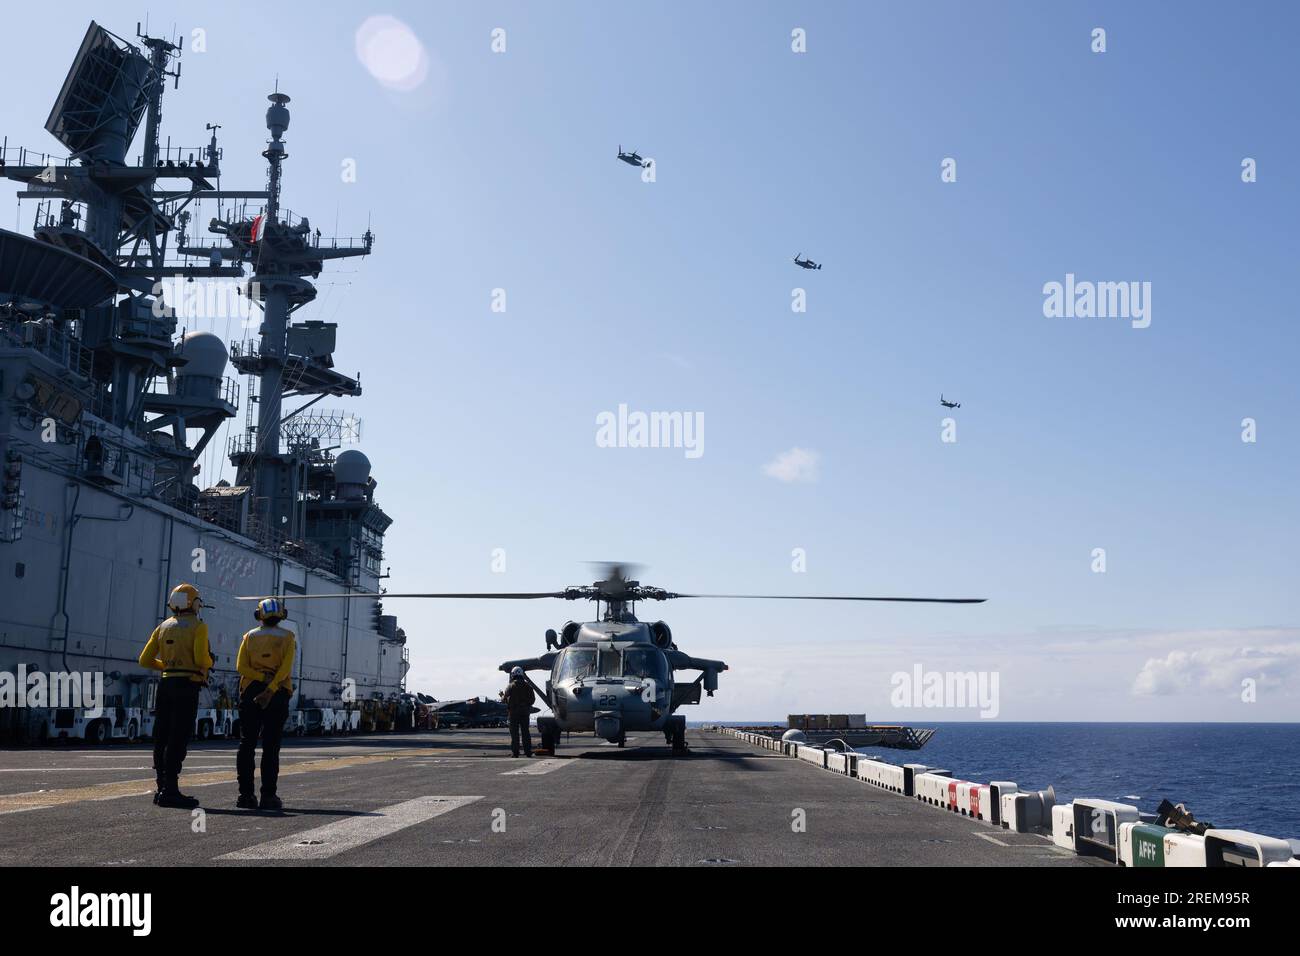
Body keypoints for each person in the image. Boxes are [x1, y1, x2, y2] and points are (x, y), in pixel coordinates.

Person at [139, 583, 213, 808]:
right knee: (178, 737)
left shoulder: (163, 627)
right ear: (194, 603)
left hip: (166, 683)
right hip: (187, 685)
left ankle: (161, 787)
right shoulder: (198, 626)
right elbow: (202, 660)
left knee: (161, 735)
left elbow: (144, 660)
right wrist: (209, 661)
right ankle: (171, 789)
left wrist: (168, 665)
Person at [235, 598, 297, 811]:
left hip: (251, 690)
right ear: (282, 615)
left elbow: (241, 667)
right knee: (271, 746)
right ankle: (268, 796)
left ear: (258, 615)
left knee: (247, 744)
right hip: (277, 691)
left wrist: (259, 678)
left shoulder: (249, 637)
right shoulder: (288, 637)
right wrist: (270, 687)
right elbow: (286, 669)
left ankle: (245, 796)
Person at [502, 666, 535, 757]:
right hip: (525, 713)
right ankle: (528, 752)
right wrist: (526, 705)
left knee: (514, 734)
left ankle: (515, 753)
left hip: (513, 713)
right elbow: (532, 700)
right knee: (525, 733)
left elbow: (504, 699)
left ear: (513, 675)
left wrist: (502, 696)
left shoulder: (510, 686)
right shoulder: (528, 686)